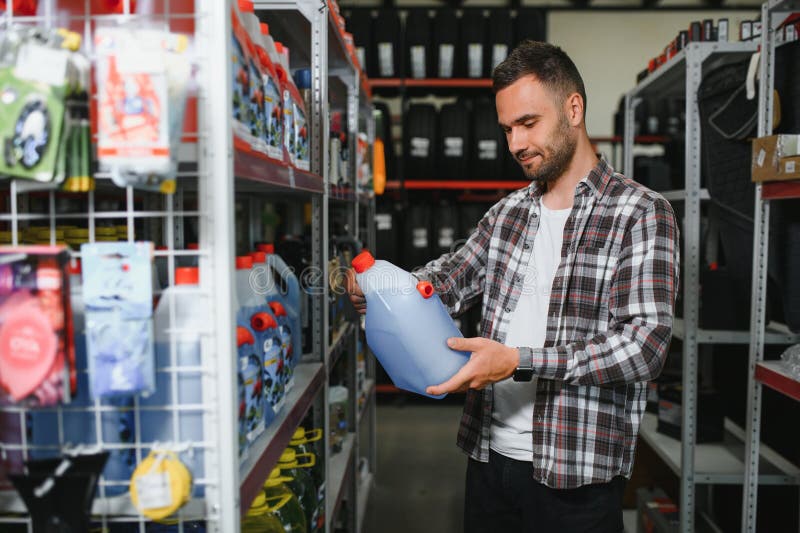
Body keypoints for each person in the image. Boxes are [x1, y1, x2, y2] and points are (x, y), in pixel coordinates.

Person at [347, 40, 679, 533]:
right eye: (506, 129)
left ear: (574, 109)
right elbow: (450, 278)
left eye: (528, 123)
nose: (515, 145)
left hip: (576, 477)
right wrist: (388, 288)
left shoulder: (641, 212)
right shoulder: (508, 213)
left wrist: (519, 361)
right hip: (488, 461)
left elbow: (643, 347)